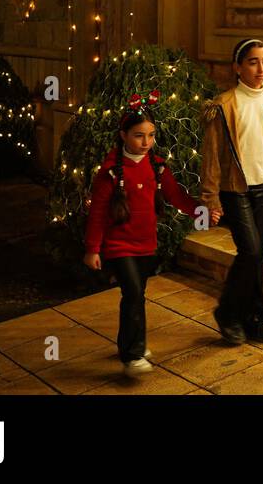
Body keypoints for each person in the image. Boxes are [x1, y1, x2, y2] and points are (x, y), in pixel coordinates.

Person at [84, 106, 200, 375]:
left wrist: (202, 212)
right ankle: (132, 354)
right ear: (123, 135)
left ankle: (133, 341)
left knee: (137, 295)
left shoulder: (157, 166)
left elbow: (175, 196)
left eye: (151, 135)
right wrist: (92, 249)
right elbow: (98, 212)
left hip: (146, 243)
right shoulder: (110, 172)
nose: (146, 142)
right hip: (119, 245)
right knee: (133, 293)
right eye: (139, 135)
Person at [200, 38, 263, 345]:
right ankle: (227, 312)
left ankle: (254, 318)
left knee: (259, 256)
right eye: (253, 62)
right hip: (235, 188)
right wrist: (210, 199)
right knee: (250, 251)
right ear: (238, 67)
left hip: (262, 187)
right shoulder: (224, 106)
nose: (260, 68)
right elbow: (211, 157)